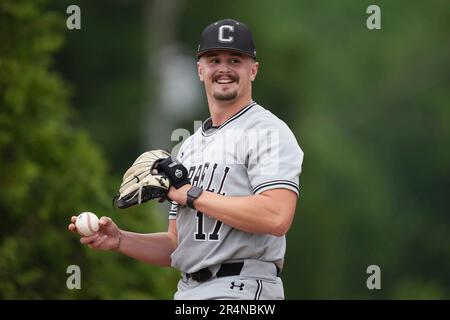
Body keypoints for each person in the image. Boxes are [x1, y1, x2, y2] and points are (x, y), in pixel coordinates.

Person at [68, 18, 304, 300]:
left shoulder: (268, 131)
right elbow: (175, 244)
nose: (224, 69)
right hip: (189, 291)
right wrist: (121, 240)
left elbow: (276, 216)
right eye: (214, 59)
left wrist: (191, 194)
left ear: (253, 70)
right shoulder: (189, 148)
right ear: (200, 70)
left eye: (235, 60)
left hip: (243, 289)